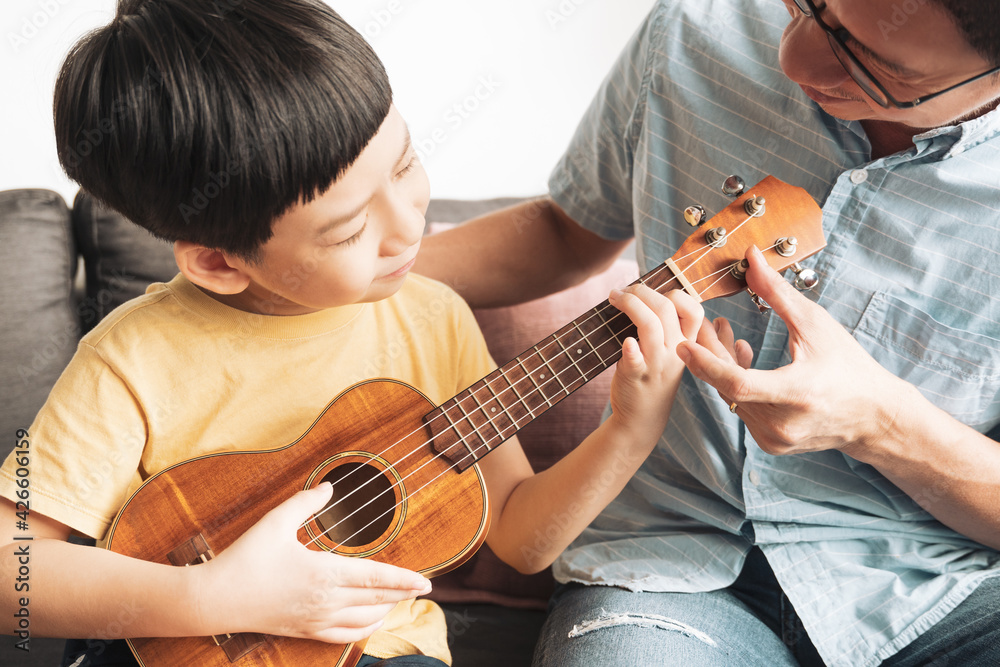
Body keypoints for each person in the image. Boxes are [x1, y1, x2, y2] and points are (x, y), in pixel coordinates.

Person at [0, 1, 705, 666]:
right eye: (349, 226)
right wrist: (209, 595)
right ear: (219, 262)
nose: (408, 227)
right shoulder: (131, 358)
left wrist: (629, 431)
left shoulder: (433, 320)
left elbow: (521, 537)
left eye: (404, 163)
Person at [414, 0, 1000, 665]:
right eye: (808, 5)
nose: (793, 59)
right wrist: (334, 276)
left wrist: (882, 424)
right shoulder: (697, 27)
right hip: (667, 565)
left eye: (875, 62)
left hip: (939, 587)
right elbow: (567, 232)